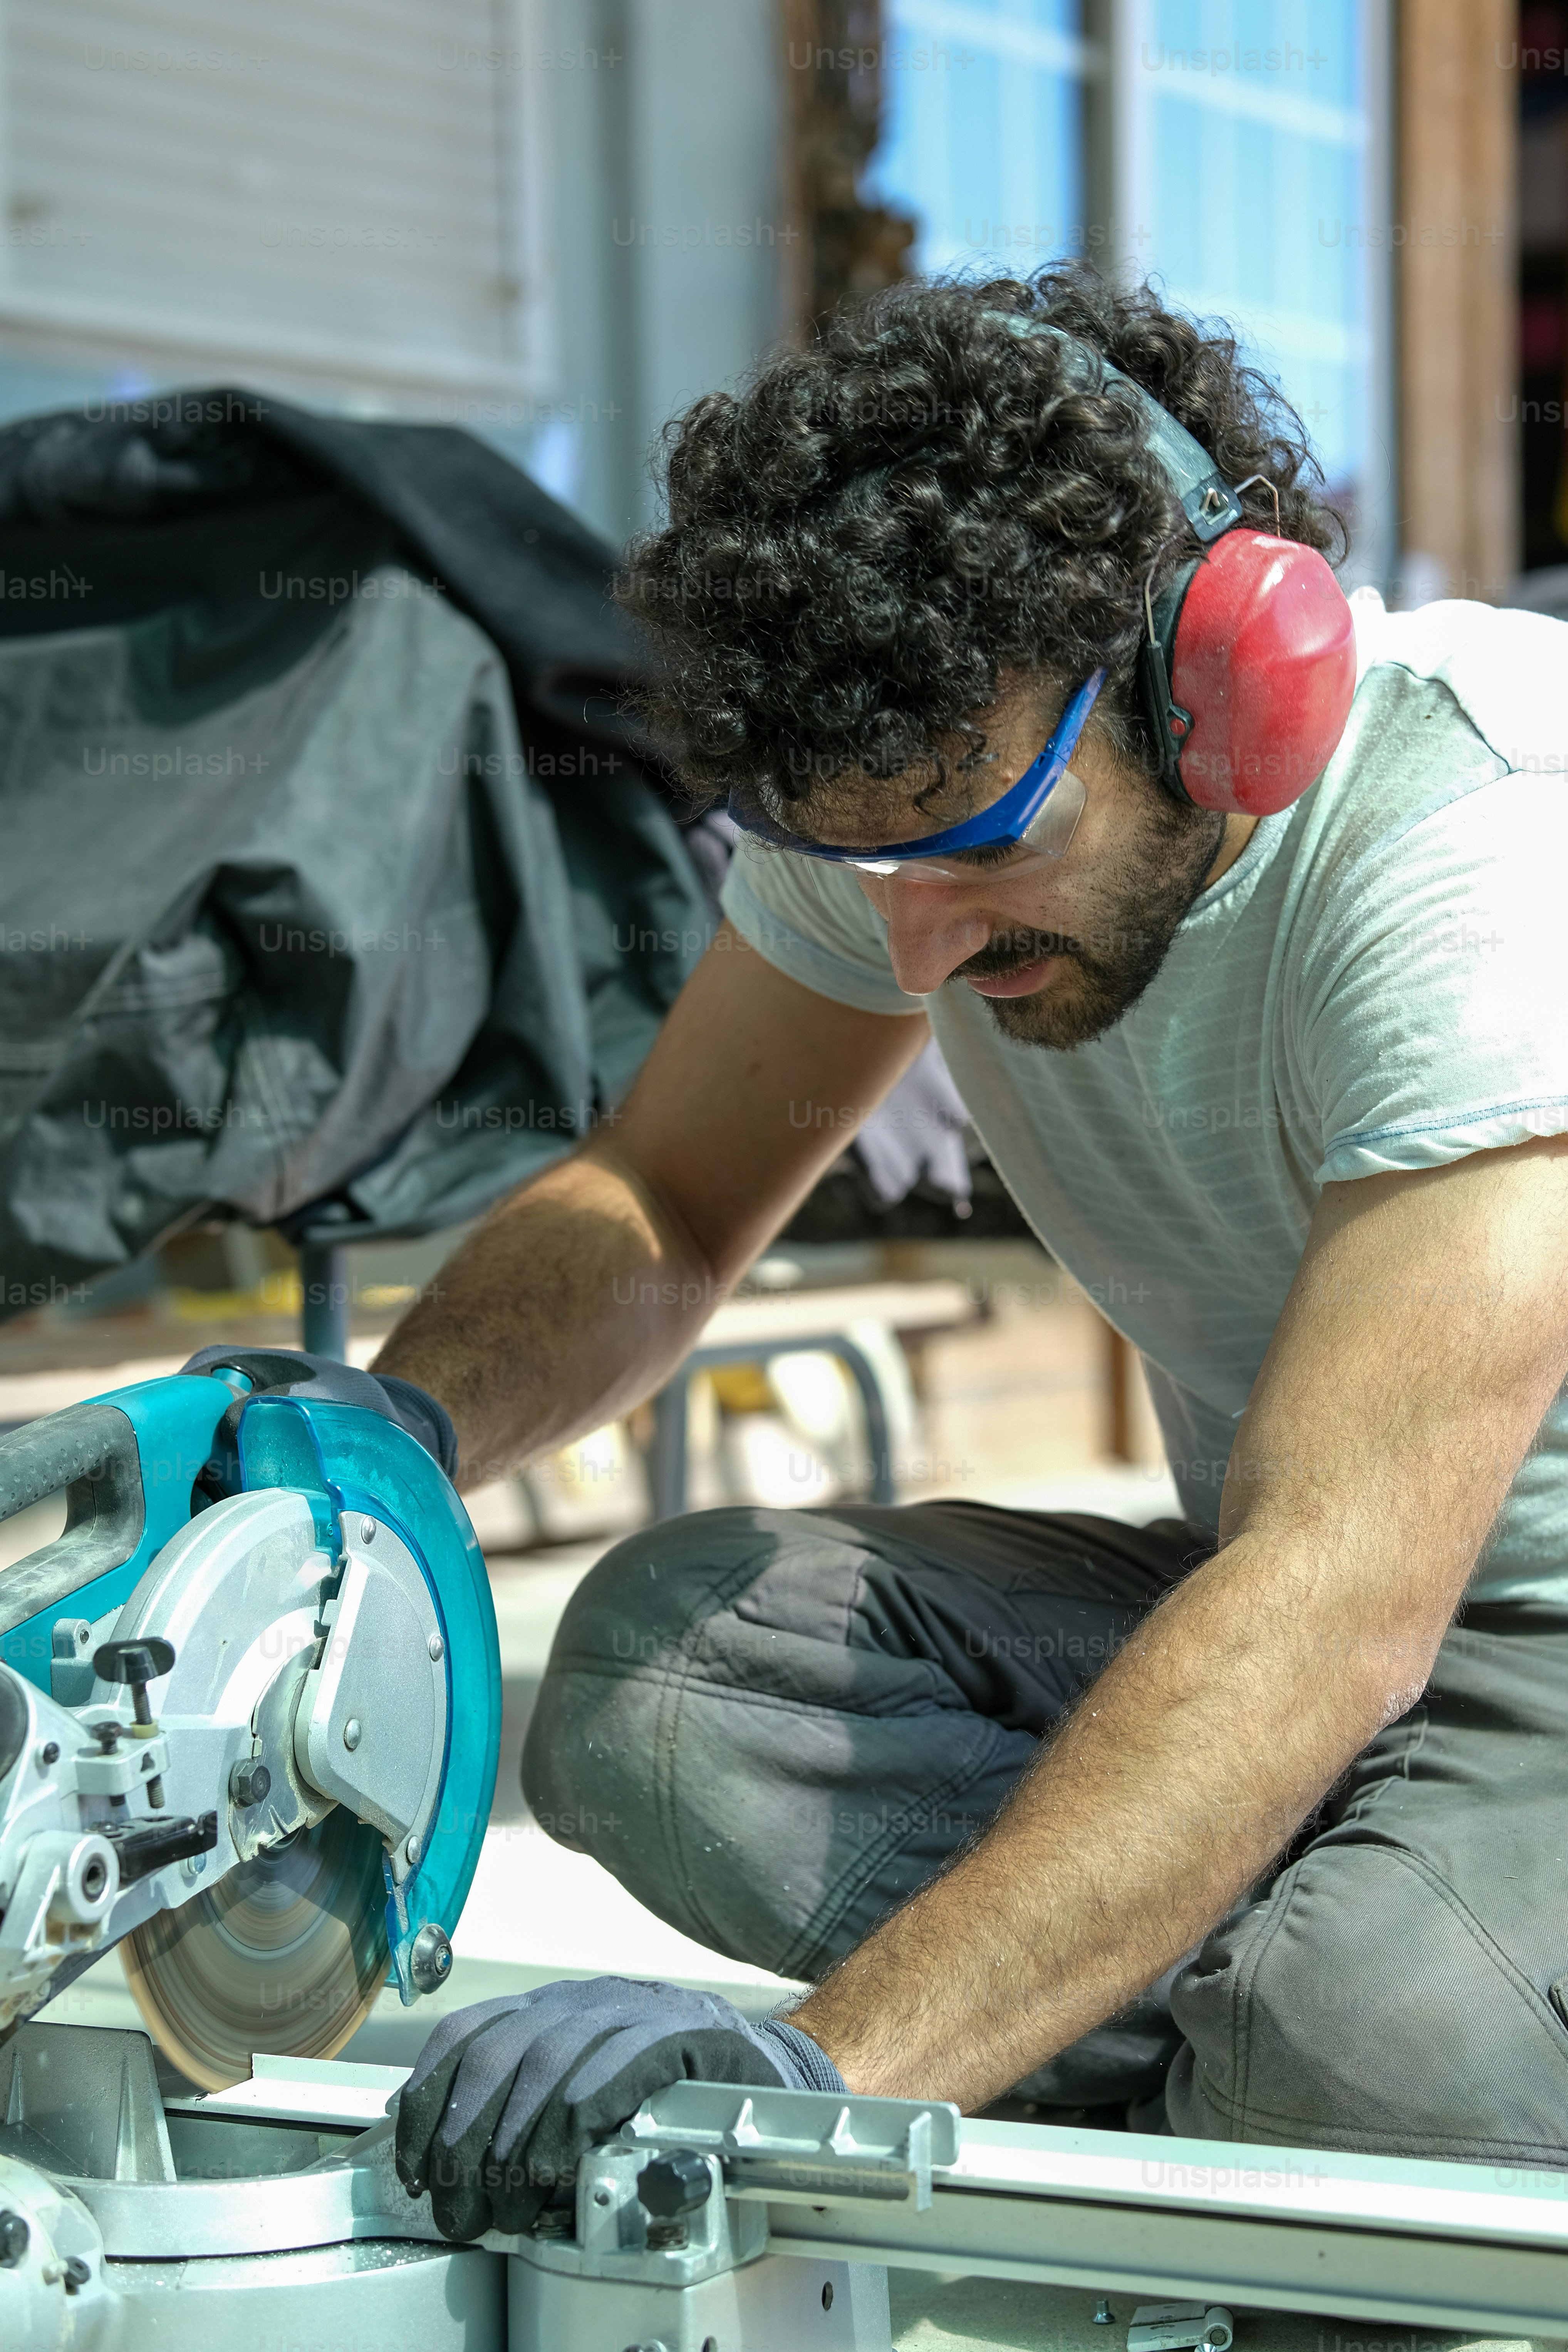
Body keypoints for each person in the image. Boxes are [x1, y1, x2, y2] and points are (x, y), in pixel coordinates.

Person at [369, 265, 1568, 2240]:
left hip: (1433, 1607)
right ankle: (1279, 2040)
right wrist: (377, 1439)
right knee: (659, 1693)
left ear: (1226, 688)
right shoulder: (910, 805)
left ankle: (1326, 2041)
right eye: (861, 868)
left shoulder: (1477, 852)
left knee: (1355, 2040)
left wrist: (822, 2077)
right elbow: (662, 1201)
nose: (919, 954)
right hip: (1283, 1584)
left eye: (984, 846)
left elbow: (1337, 1597)